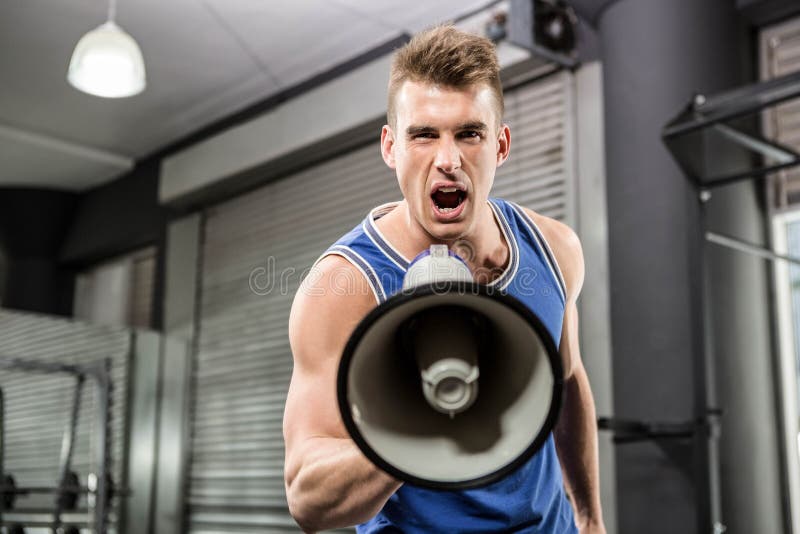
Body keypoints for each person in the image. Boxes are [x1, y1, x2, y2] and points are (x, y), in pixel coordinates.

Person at [283, 25, 605, 533]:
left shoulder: (554, 248)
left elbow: (566, 381)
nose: (448, 160)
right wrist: (411, 426)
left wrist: (589, 516)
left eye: (469, 133)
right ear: (391, 147)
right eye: (424, 134)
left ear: (500, 145)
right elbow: (308, 500)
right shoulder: (345, 286)